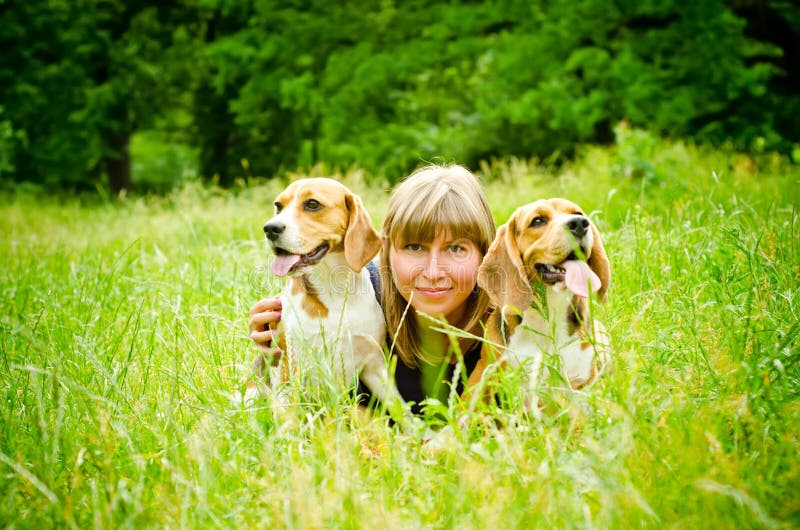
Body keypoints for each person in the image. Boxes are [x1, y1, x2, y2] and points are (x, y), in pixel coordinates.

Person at [247, 164, 496, 416]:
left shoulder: (507, 324)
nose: (433, 273)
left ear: (485, 253)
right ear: (386, 250)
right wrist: (270, 345)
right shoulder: (361, 294)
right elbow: (277, 376)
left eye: (456, 249)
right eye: (413, 247)